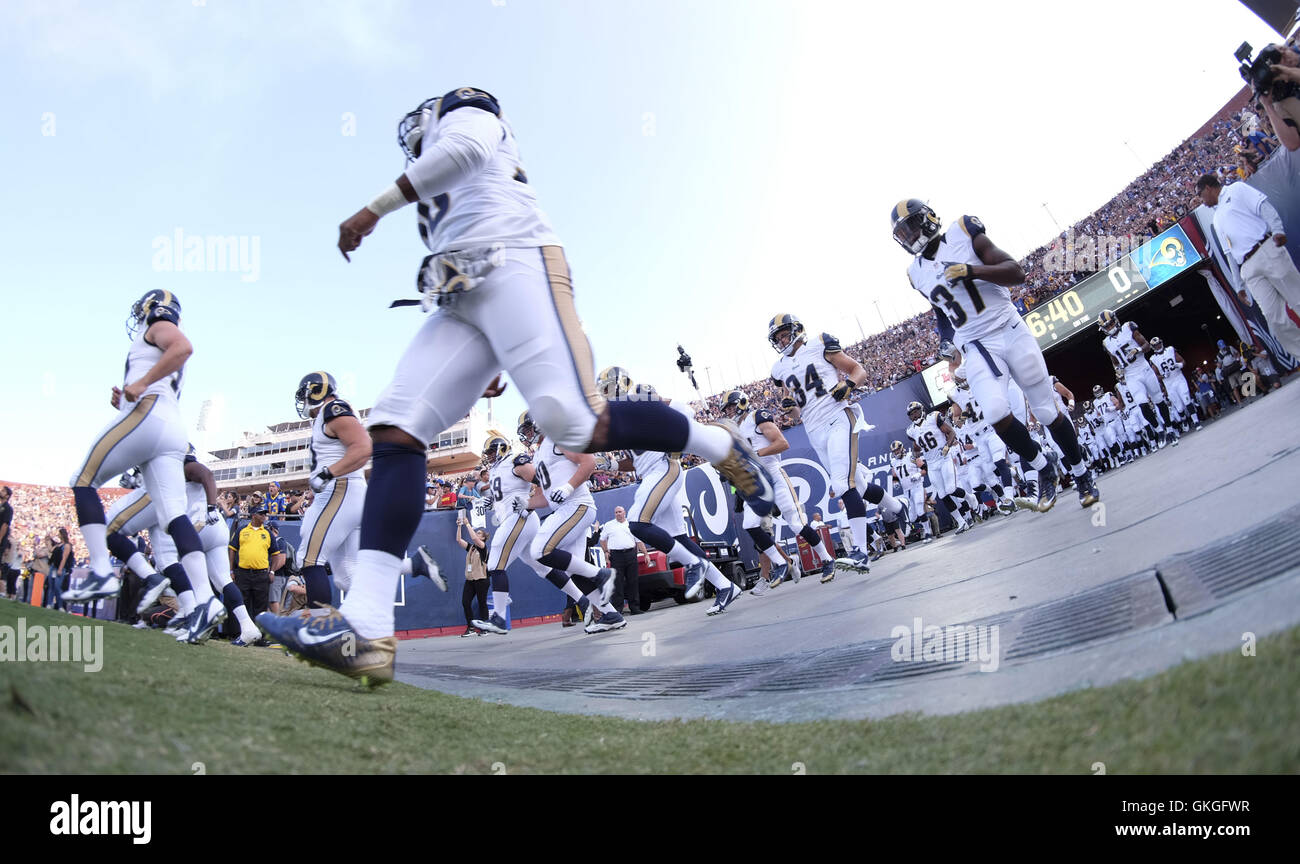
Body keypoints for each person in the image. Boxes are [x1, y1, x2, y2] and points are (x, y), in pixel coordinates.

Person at [258, 87, 774, 686]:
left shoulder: (467, 118)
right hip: (464, 297)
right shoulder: (448, 180)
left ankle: (716, 443)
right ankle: (366, 630)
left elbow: (462, 156)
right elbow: (459, 226)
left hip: (519, 263)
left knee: (574, 421)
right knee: (396, 429)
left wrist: (373, 209)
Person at [891, 199, 1099, 510]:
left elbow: (1016, 273)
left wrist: (972, 271)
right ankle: (1044, 467)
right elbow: (942, 312)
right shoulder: (916, 273)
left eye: (912, 226)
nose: (912, 236)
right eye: (904, 234)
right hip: (976, 344)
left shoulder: (962, 231)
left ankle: (1082, 474)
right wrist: (946, 341)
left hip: (1008, 328)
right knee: (995, 413)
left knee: (1044, 411)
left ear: (928, 217)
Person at [63, 290, 216, 637]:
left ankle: (102, 570)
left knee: (83, 479)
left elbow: (183, 347)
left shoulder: (157, 323)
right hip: (172, 428)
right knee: (173, 517)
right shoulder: (155, 342)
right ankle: (205, 601)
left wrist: (142, 384)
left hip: (150, 413)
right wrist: (129, 394)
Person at [768, 314, 907, 571]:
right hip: (813, 429)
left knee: (843, 484)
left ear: (796, 329)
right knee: (860, 486)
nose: (782, 340)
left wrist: (849, 385)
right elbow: (793, 406)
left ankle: (860, 552)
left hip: (838, 418)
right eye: (778, 338)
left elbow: (858, 370)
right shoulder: (779, 369)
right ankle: (897, 507)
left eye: (784, 334)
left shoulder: (819, 344)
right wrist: (789, 408)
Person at [719, 388, 834, 588]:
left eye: (730, 406)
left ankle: (827, 560)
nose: (728, 411)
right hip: (753, 482)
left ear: (741, 402)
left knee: (797, 524)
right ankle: (781, 563)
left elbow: (782, 443)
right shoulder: (733, 430)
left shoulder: (757, 416)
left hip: (773, 475)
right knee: (750, 525)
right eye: (726, 409)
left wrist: (754, 453)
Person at [1199, 173, 1300, 361]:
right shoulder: (1216, 218)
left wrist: (1277, 229)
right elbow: (1229, 253)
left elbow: (1262, 205)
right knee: (1273, 319)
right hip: (1247, 266)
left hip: (1265, 248)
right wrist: (1238, 285)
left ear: (1208, 188)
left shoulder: (1236, 189)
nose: (1202, 202)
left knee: (1298, 298)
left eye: (1200, 195)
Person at [599, 505, 647, 615]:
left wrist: (645, 554)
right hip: (616, 556)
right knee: (618, 583)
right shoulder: (609, 525)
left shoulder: (630, 524)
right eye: (616, 512)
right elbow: (602, 540)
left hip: (631, 554)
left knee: (633, 581)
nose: (618, 514)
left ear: (624, 512)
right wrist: (606, 551)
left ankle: (634, 608)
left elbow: (638, 541)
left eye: (620, 512)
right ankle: (618, 609)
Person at [454, 513, 489, 636]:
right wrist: (459, 526)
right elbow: (459, 540)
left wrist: (468, 524)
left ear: (483, 538)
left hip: (481, 579)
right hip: (470, 580)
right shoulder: (471, 548)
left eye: (480, 533)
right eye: (477, 532)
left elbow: (474, 538)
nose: (477, 534)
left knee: (482, 603)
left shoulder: (483, 547)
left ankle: (484, 628)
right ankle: (471, 628)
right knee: (465, 602)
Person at [0, 487, 14, 599]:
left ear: (7, 495)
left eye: (3, 491)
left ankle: (2, 591)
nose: (1, 492)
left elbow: (5, 525)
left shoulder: (7, 508)